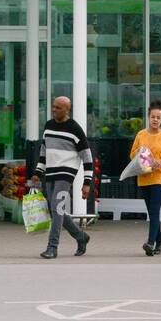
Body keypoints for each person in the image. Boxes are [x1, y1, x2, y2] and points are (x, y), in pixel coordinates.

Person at [30, 96, 92, 259]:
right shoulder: (48, 126)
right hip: (50, 172)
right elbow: (44, 151)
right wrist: (38, 172)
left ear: (67, 110)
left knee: (57, 208)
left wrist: (87, 183)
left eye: (58, 107)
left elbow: (87, 157)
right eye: (53, 106)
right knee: (56, 210)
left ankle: (52, 247)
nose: (54, 110)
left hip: (66, 174)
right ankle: (81, 236)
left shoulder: (75, 129)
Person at [130, 100, 161, 256]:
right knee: (151, 211)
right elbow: (132, 155)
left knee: (154, 210)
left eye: (159, 117)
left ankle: (150, 243)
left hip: (160, 177)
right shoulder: (140, 135)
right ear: (148, 117)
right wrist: (139, 153)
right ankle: (160, 244)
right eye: (153, 116)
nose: (155, 120)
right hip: (144, 176)